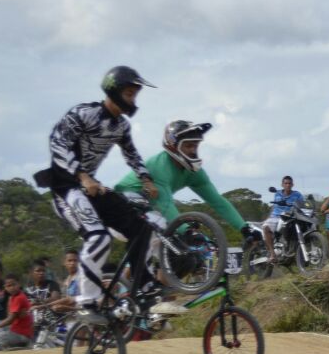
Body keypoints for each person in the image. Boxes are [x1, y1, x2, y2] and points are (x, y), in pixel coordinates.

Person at [35, 66, 162, 326]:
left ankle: (144, 291)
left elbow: (131, 153)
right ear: (114, 91)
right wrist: (82, 175)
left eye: (135, 95)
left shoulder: (121, 126)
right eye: (129, 93)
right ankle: (87, 303)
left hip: (92, 187)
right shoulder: (83, 114)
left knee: (142, 228)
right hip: (65, 188)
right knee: (99, 238)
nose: (133, 99)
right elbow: (57, 143)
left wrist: (146, 178)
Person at [115, 120, 262, 312]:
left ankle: (154, 299)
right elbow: (166, 205)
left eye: (196, 145)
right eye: (188, 145)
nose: (193, 150)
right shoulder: (160, 166)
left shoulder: (194, 172)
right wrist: (186, 230)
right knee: (171, 239)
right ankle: (136, 291)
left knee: (186, 258)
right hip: (123, 205)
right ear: (172, 146)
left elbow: (217, 201)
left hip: (150, 210)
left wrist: (244, 227)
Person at [260, 175, 305, 261]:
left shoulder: (297, 194)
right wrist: (268, 217)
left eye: (289, 183)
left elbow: (302, 205)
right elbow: (274, 207)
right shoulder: (278, 193)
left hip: (291, 216)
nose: (287, 185)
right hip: (276, 217)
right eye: (286, 183)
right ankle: (272, 254)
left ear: (292, 184)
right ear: (282, 184)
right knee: (266, 227)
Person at [0, 274, 34, 350]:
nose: (12, 288)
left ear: (19, 284)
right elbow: (10, 317)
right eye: (8, 286)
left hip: (20, 334)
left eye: (14, 284)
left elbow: (10, 320)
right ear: (4, 288)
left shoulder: (18, 298)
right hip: (19, 333)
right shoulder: (14, 297)